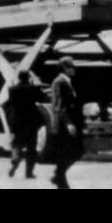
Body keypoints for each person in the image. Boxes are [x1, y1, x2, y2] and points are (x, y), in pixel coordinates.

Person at [49, 57, 83, 189]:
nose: (74, 69)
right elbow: (59, 106)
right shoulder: (59, 82)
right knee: (69, 152)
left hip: (70, 123)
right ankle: (61, 181)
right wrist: (68, 123)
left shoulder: (67, 82)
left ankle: (58, 176)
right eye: (71, 67)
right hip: (64, 124)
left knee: (77, 151)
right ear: (65, 68)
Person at [5, 70, 43, 179]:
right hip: (31, 121)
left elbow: (11, 103)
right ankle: (29, 172)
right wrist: (35, 83)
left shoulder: (12, 89)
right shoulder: (33, 89)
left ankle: (15, 160)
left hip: (17, 121)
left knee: (17, 143)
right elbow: (41, 98)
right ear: (28, 77)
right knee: (31, 147)